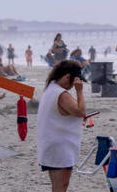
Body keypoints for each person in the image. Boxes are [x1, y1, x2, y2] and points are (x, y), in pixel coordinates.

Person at [37, 60, 86, 192]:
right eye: (74, 81)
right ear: (67, 77)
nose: (73, 85)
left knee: (57, 186)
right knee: (61, 186)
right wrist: (79, 91)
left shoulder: (50, 89)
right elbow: (80, 111)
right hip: (61, 148)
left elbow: (63, 112)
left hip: (50, 144)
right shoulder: (61, 94)